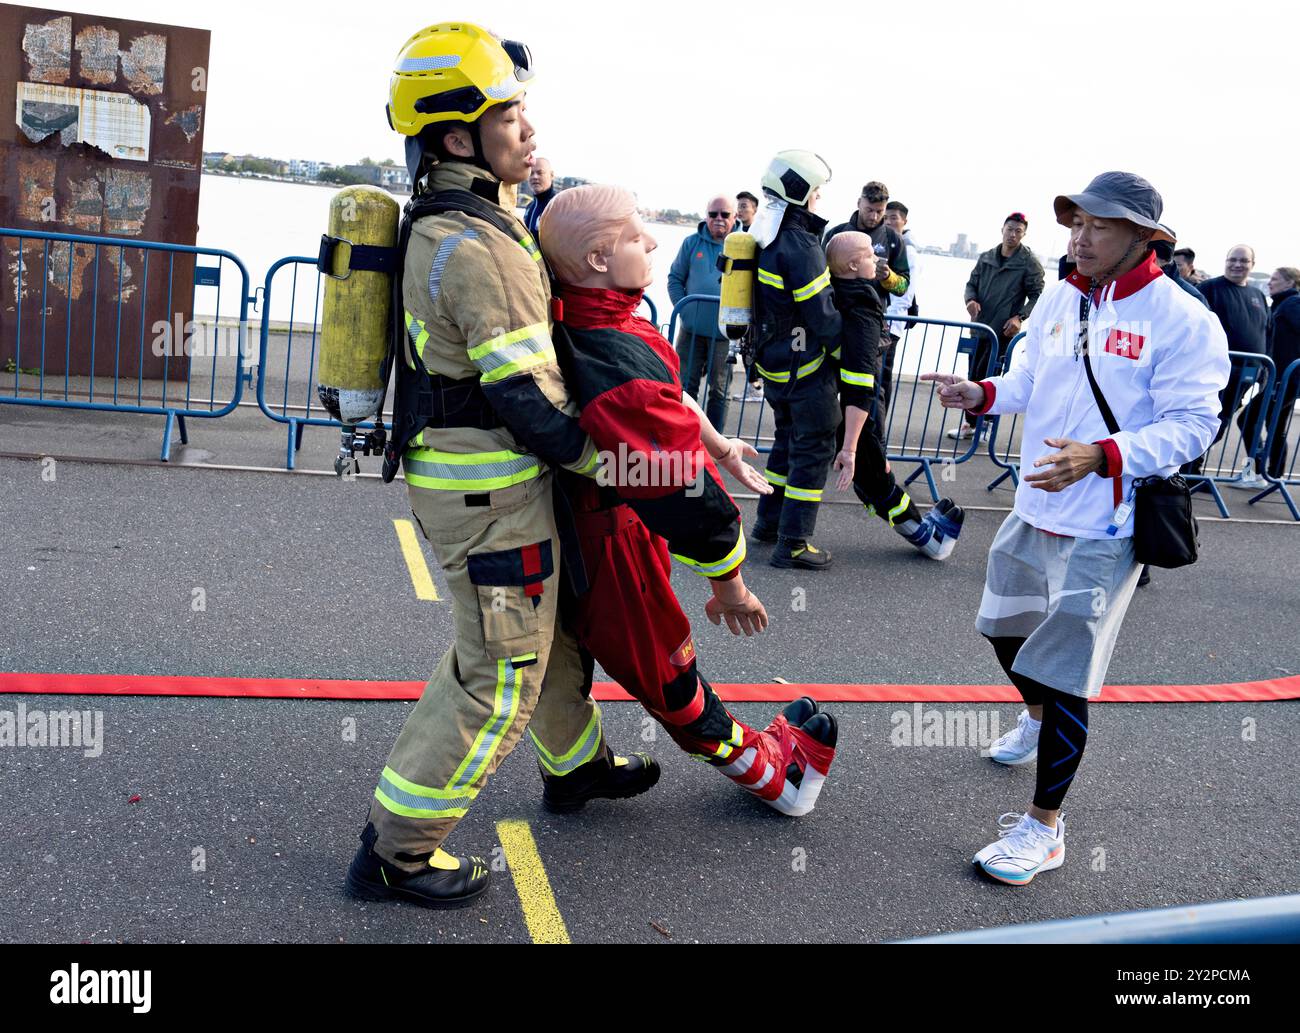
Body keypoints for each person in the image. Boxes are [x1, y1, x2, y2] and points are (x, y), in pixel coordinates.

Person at [346, 23, 657, 910]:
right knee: (497, 673)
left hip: (485, 485)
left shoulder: (472, 222)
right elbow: (532, 402)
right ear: (457, 138)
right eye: (509, 115)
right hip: (489, 496)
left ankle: (575, 765)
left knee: (552, 631)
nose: (528, 128)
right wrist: (630, 466)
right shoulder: (476, 247)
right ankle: (400, 850)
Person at [923, 170, 1229, 885]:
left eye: (1098, 225)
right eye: (1075, 223)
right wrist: (983, 393)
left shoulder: (1184, 318)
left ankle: (1045, 827)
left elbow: (1196, 423)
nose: (1080, 237)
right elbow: (1028, 376)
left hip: (1108, 523)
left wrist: (1104, 455)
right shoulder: (1062, 294)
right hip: (1035, 505)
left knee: (1064, 673)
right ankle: (1034, 716)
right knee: (1002, 628)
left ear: (1143, 237)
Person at [539, 183, 839, 814]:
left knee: (589, 658)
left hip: (610, 520)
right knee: (667, 672)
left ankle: (572, 772)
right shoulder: (611, 359)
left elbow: (669, 393)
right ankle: (774, 780)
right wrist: (729, 581)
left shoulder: (606, 318)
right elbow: (682, 491)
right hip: (611, 535)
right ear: (597, 257)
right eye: (633, 234)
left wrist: (720, 445)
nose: (651, 241)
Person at [827, 231, 965, 559]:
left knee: (872, 476)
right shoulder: (861, 304)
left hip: (838, 405)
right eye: (869, 256)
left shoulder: (837, 292)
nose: (877, 261)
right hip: (854, 409)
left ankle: (922, 529)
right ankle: (929, 541)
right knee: (877, 478)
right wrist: (850, 446)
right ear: (852, 264)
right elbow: (861, 382)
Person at [748, 150, 843, 569]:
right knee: (813, 447)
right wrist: (852, 356)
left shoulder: (761, 236)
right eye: (817, 192)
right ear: (802, 192)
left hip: (773, 366)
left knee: (786, 443)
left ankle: (768, 523)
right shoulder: (801, 244)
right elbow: (821, 316)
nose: (820, 199)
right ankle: (794, 543)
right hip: (804, 370)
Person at [952, 213, 1045, 440]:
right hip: (979, 328)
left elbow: (1037, 295)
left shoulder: (1028, 262)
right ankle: (970, 423)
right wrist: (970, 301)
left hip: (1002, 332)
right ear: (1002, 229)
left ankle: (987, 426)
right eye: (1010, 229)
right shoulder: (986, 257)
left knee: (992, 377)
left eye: (1018, 231)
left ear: (1024, 234)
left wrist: (1019, 317)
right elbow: (971, 284)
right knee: (973, 374)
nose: (1012, 234)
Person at [1190, 245, 1271, 485]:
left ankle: (1194, 470)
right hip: (1214, 373)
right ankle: (1187, 471)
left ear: (1252, 265)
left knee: (1221, 423)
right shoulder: (1209, 289)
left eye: (1243, 261)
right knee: (1205, 421)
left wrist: (1263, 369)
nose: (1237, 264)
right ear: (1225, 262)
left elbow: (1264, 331)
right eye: (1232, 260)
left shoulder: (1257, 296)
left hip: (1246, 375)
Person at [668, 194, 736, 431]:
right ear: (706, 216)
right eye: (713, 214)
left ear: (734, 217)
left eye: (725, 214)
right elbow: (675, 279)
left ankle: (716, 446)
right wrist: (684, 310)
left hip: (726, 334)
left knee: (719, 390)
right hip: (691, 331)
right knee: (684, 386)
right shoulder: (691, 243)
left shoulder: (744, 246)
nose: (719, 219)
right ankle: (685, 436)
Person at [877, 200, 919, 438]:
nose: (889, 221)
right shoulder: (883, 244)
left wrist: (889, 322)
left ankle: (878, 435)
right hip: (878, 321)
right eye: (887, 217)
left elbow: (906, 293)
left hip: (891, 325)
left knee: (882, 378)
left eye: (894, 217)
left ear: (904, 221)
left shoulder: (908, 251)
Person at [1264, 266, 1300, 478]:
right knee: (1275, 425)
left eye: (1275, 279)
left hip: (1287, 379)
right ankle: (1273, 473)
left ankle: (1260, 471)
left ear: (1290, 283)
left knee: (1249, 421)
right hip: (1281, 378)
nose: (1270, 282)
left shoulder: (1292, 303)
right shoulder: (1282, 304)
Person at [523, 155, 555, 234]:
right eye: (531, 173)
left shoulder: (558, 206)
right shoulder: (530, 206)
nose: (535, 177)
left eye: (540, 173)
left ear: (552, 175)